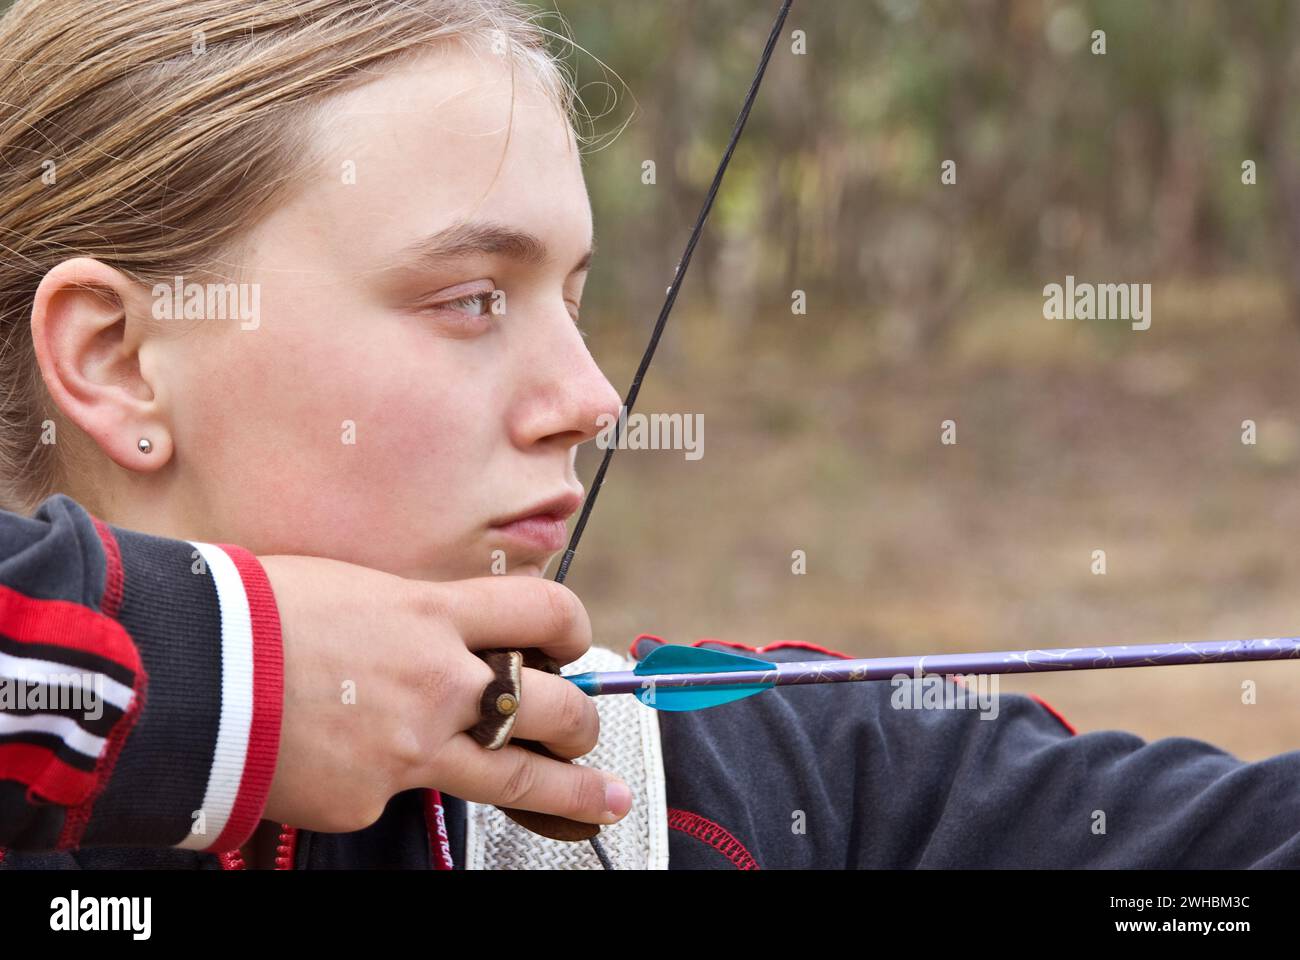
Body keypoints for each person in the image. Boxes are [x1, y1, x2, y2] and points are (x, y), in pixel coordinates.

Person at [1, 0, 1297, 870]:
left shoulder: (674, 795)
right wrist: (232, 683)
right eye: (470, 301)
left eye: (573, 299)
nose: (591, 397)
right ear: (115, 363)